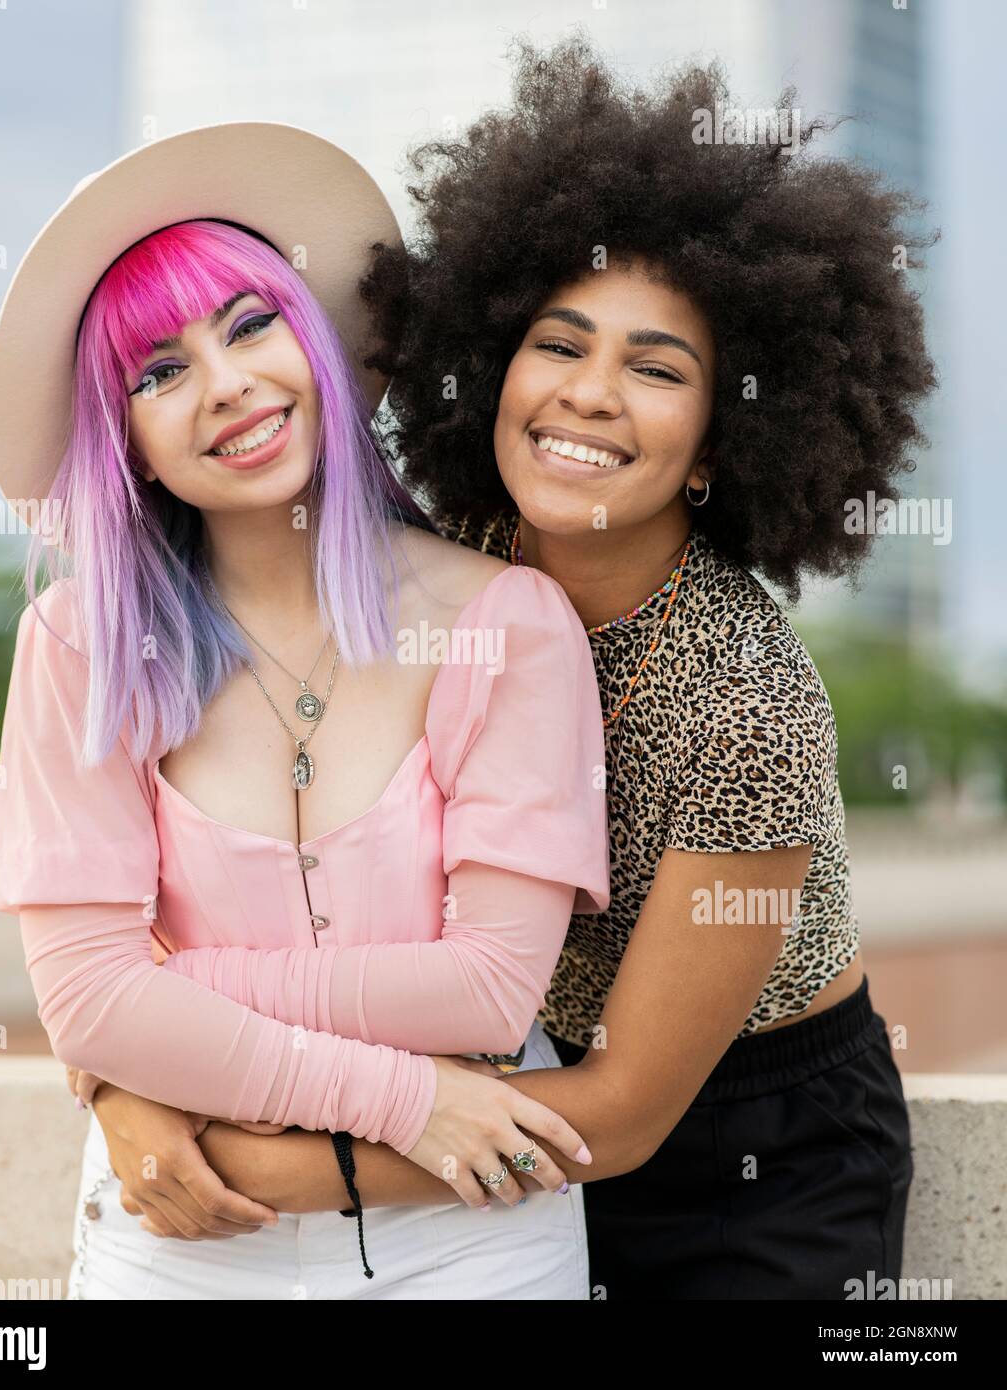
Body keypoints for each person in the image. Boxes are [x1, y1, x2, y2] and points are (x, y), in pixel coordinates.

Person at [350, 33, 937, 1298]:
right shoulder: (431, 568)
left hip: (761, 1153)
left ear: (722, 444)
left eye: (655, 368)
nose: (590, 394)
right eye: (557, 345)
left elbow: (616, 1117)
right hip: (519, 1087)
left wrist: (279, 1165)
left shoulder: (749, 704)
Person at [0, 121, 612, 1300]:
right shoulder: (75, 646)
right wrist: (401, 1090)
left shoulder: (507, 621)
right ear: (127, 442)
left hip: (468, 1226)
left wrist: (145, 1015)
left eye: (250, 324)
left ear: (314, 339)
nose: (225, 387)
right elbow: (85, 1002)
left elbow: (487, 992)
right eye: (156, 373)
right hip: (179, 1230)